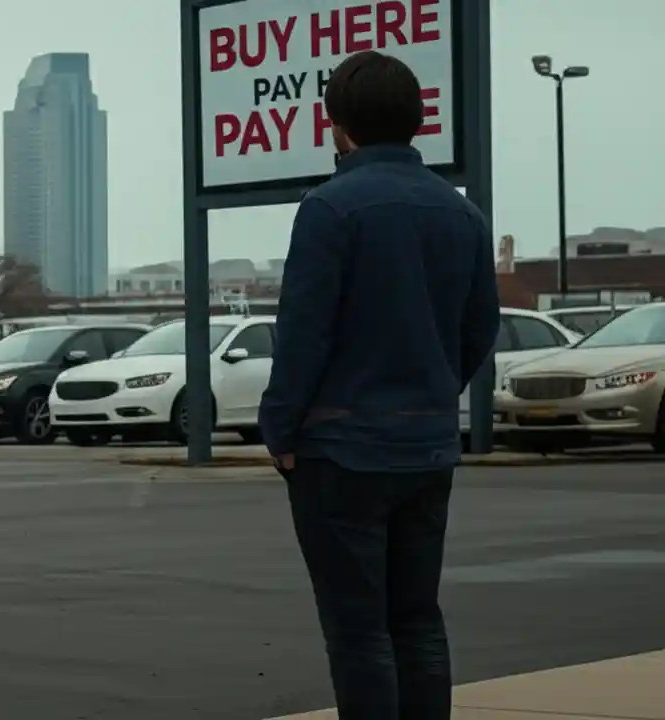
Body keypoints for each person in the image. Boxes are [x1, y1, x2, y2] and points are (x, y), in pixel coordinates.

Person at [258, 50, 500, 720]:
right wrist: (432, 390)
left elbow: (303, 336)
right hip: (426, 446)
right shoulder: (462, 214)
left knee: (358, 631)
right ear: (418, 120)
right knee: (417, 621)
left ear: (334, 122)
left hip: (341, 450)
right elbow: (482, 326)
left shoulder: (330, 210)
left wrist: (279, 431)